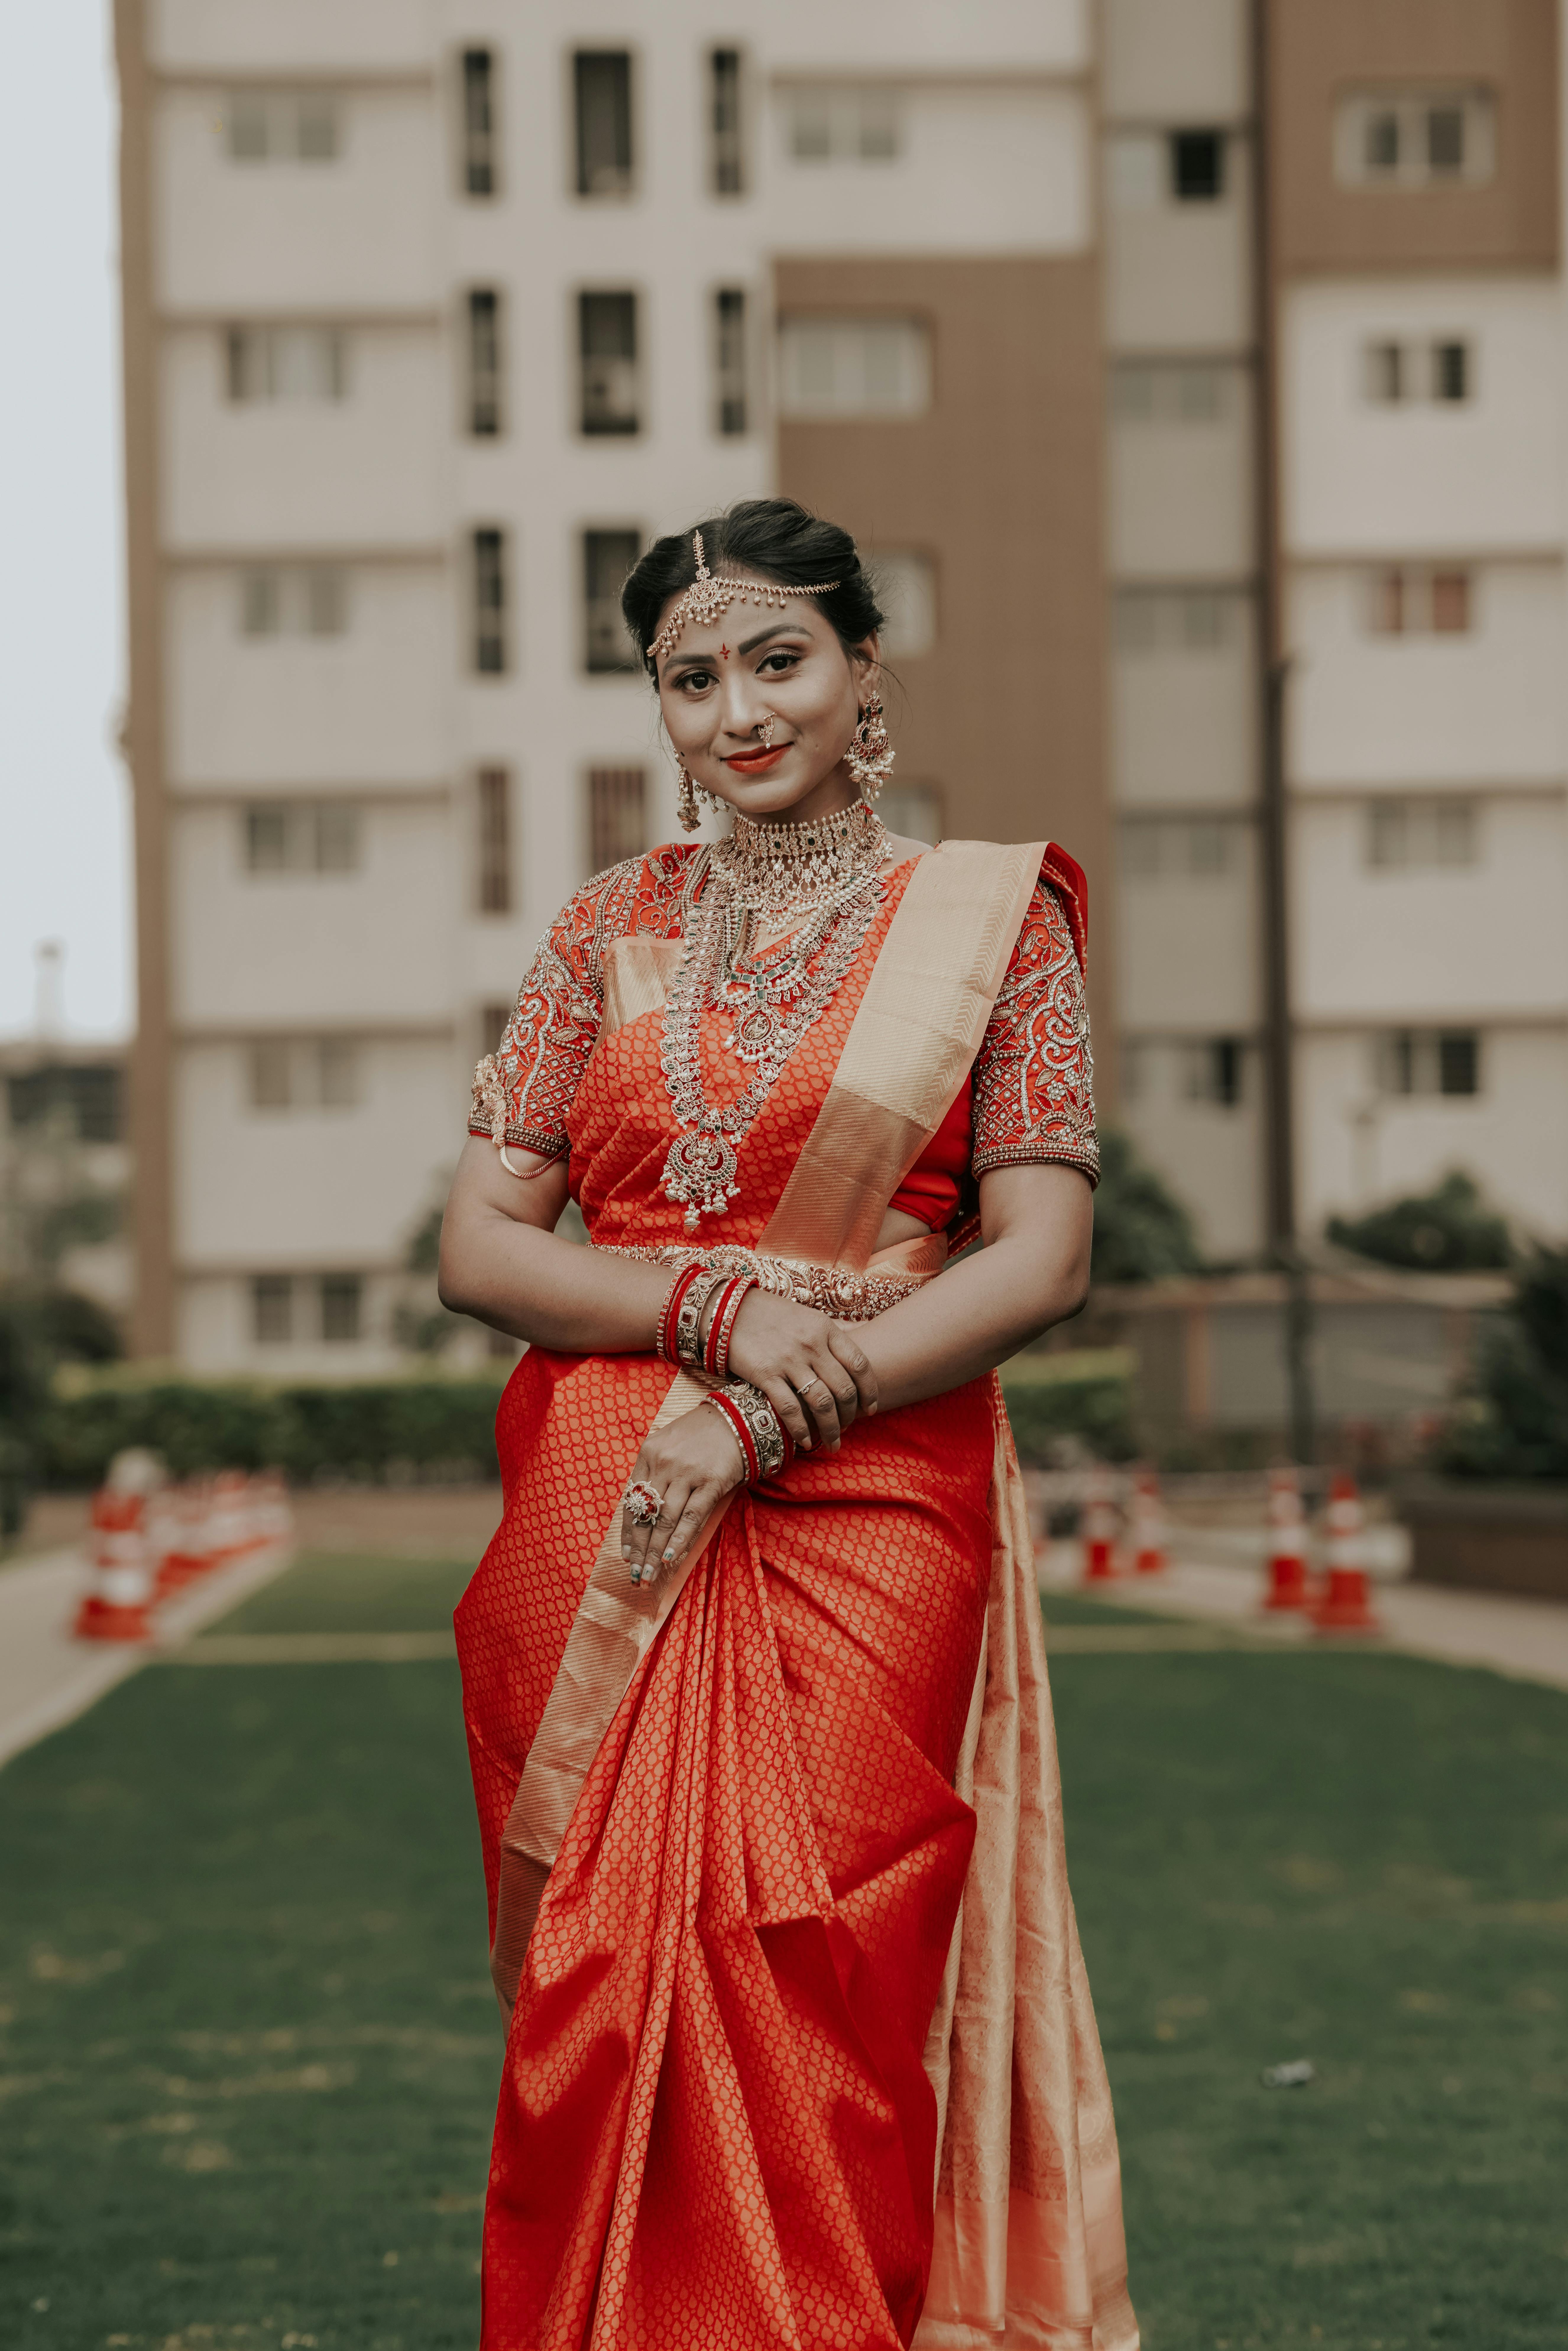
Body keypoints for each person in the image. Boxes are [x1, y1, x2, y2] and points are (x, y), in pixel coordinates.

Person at [440, 499, 1138, 2351]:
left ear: (860, 672)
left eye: (776, 660)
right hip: (605, 1487)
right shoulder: (599, 930)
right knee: (600, 1973)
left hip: (870, 1482)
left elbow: (1042, 1255)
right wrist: (710, 1314)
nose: (739, 711)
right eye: (692, 677)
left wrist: (795, 1392)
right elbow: (476, 1247)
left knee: (823, 1952)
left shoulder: (994, 923)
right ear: (657, 706)